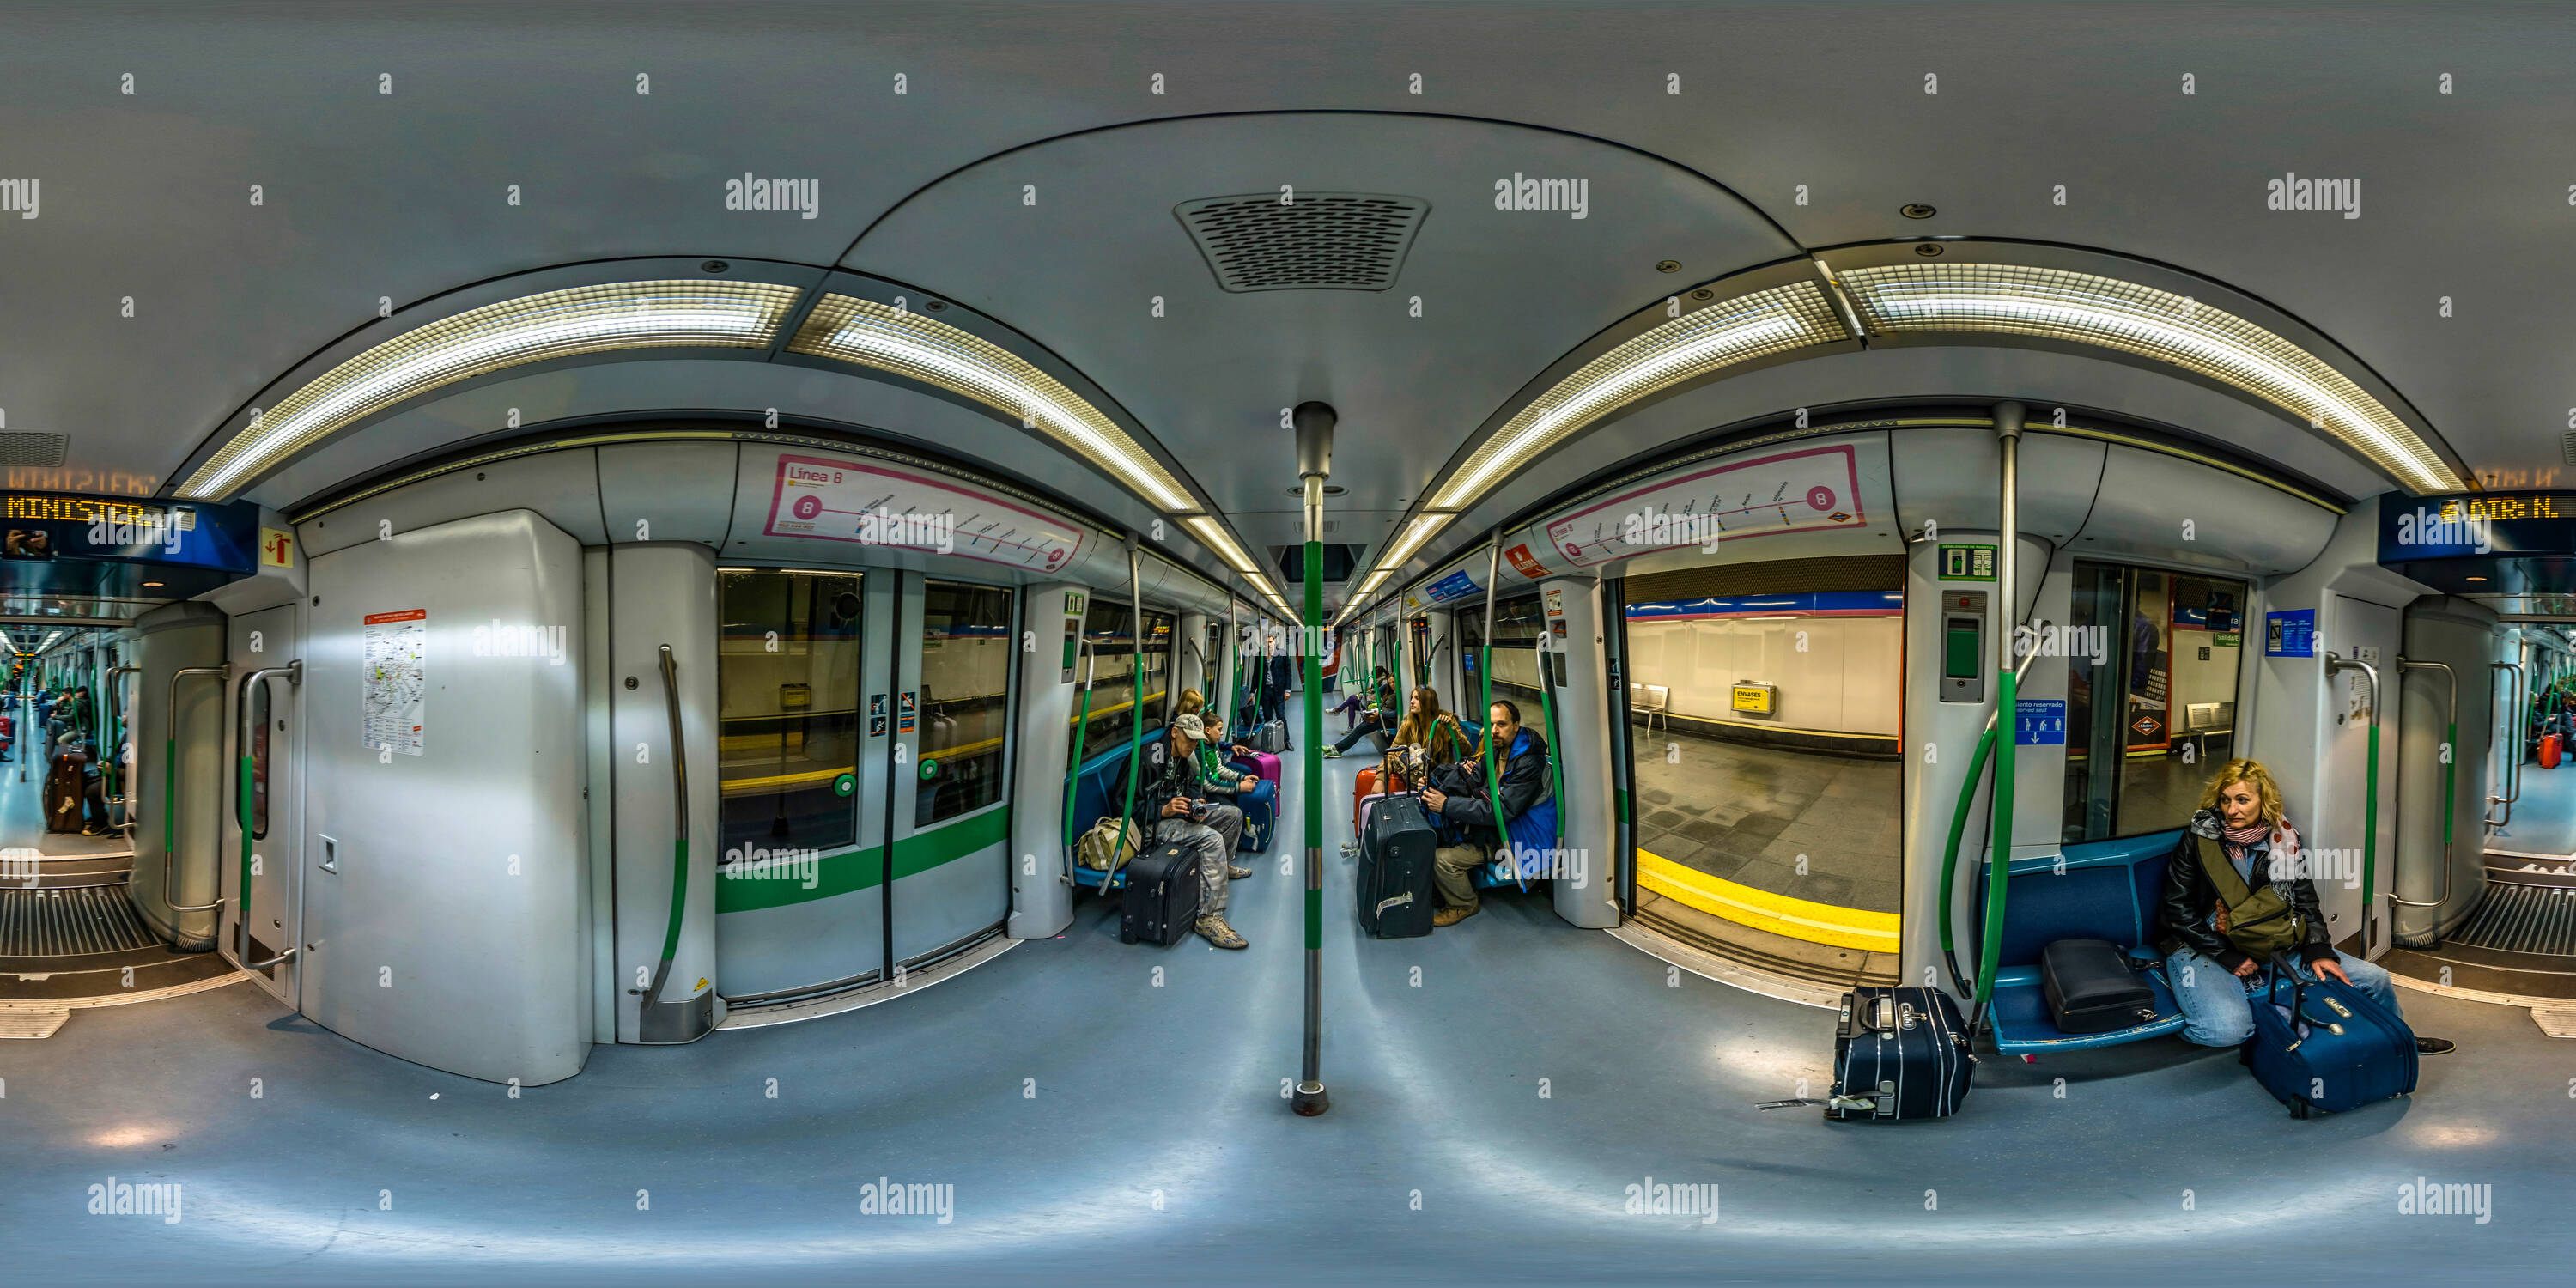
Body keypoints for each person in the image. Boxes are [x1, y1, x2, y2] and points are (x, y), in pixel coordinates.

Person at [2158, 758, 2452, 1055]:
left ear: (2264, 801)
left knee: (2375, 979)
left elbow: (2305, 901)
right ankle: (2224, 1005)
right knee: (2226, 1031)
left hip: (2272, 939)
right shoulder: (2200, 838)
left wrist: (2318, 949)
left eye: (2242, 800)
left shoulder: (2283, 839)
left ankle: (2399, 1040)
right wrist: (2225, 954)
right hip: (2206, 942)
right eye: (2225, 800)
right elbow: (2177, 907)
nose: (2231, 810)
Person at [1419, 700, 1557, 928]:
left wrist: (1446, 804)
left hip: (1522, 835)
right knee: (1436, 833)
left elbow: (1502, 811)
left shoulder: (1529, 763)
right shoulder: (1497, 750)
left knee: (1441, 859)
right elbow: (1474, 781)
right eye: (1490, 724)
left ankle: (1464, 904)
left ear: (1516, 725)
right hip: (1504, 825)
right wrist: (1438, 785)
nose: (1494, 731)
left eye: (1501, 724)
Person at [1132, 713, 1252, 949]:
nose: (1193, 746)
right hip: (1151, 824)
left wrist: (1197, 805)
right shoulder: (1148, 759)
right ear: (1175, 732)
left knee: (1232, 815)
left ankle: (1221, 867)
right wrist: (1163, 810)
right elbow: (1126, 809)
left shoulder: (1187, 758)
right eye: (1189, 740)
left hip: (1180, 816)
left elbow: (1195, 787)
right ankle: (1208, 917)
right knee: (1211, 839)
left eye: (1196, 741)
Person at [1322, 667, 1402, 756]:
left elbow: (1396, 713)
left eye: (1394, 682)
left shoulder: (1399, 694)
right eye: (1390, 683)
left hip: (1388, 720)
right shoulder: (1391, 692)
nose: (1392, 685)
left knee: (1360, 730)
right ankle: (1337, 748)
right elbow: (1383, 698)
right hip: (1382, 716)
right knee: (1360, 727)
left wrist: (1380, 714)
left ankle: (1337, 749)